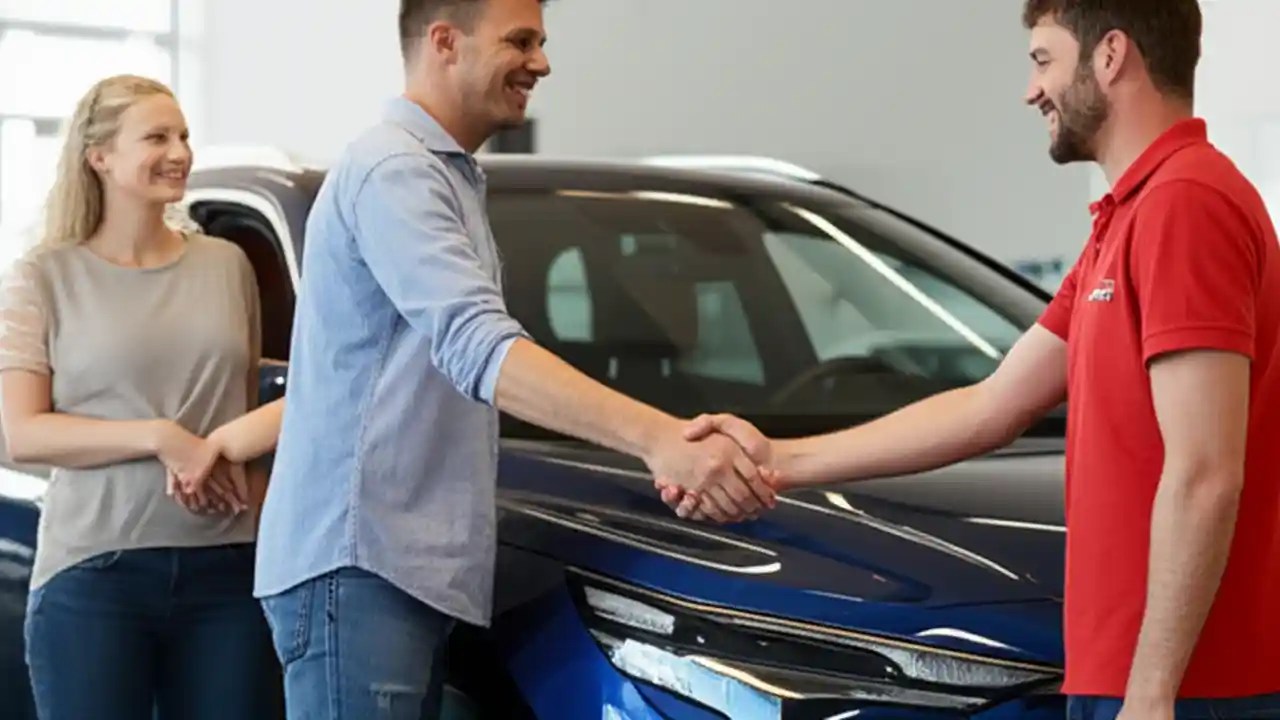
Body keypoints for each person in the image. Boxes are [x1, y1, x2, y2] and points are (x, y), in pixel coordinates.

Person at [661, 1, 1280, 719]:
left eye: (1043, 60)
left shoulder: (1186, 204)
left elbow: (1206, 472)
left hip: (1191, 687)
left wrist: (1151, 690)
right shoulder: (1129, 218)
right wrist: (781, 459)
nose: (1031, 90)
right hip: (1128, 674)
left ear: (1110, 56)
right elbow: (991, 406)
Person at [251, 1, 776, 718]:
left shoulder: (447, 176)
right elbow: (479, 343)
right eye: (520, 41)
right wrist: (659, 440)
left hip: (403, 570)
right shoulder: (393, 172)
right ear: (444, 42)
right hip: (363, 563)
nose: (542, 62)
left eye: (541, 41)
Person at [0, 75, 289, 719]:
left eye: (183, 135)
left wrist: (226, 461)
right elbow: (23, 434)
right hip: (93, 578)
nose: (180, 152)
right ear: (99, 156)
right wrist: (160, 436)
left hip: (226, 573)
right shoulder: (44, 276)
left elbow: (235, 415)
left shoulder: (226, 265)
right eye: (156, 137)